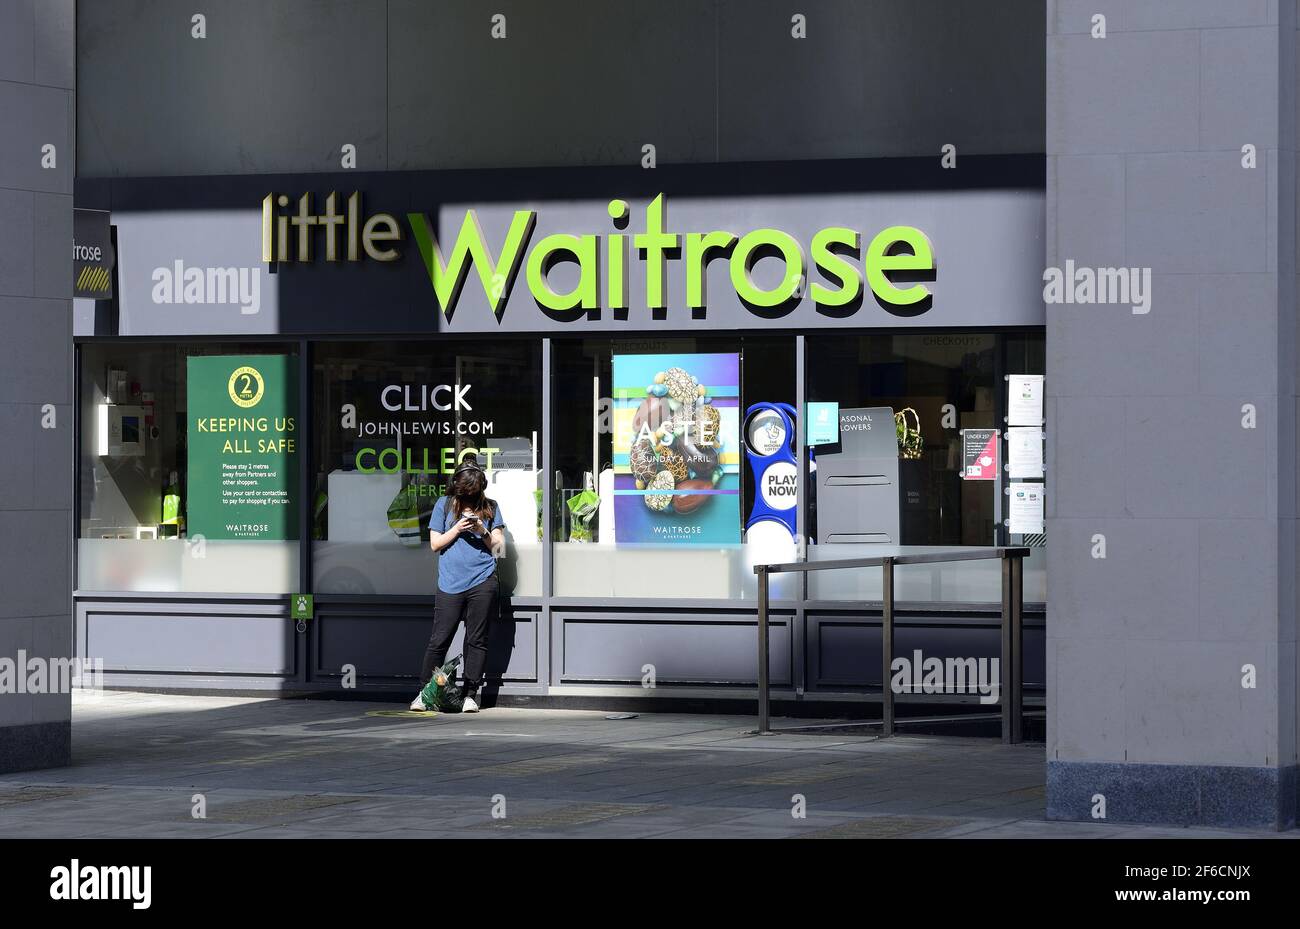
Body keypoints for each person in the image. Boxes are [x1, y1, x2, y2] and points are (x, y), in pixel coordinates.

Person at [411, 459, 505, 713]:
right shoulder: (444, 505)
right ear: (456, 488)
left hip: (482, 581)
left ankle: (470, 694)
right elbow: (435, 544)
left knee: (477, 640)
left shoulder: (491, 507)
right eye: (464, 495)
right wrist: (458, 528)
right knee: (439, 640)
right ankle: (424, 692)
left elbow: (499, 549)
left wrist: (482, 529)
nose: (468, 501)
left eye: (472, 495)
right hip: (450, 583)